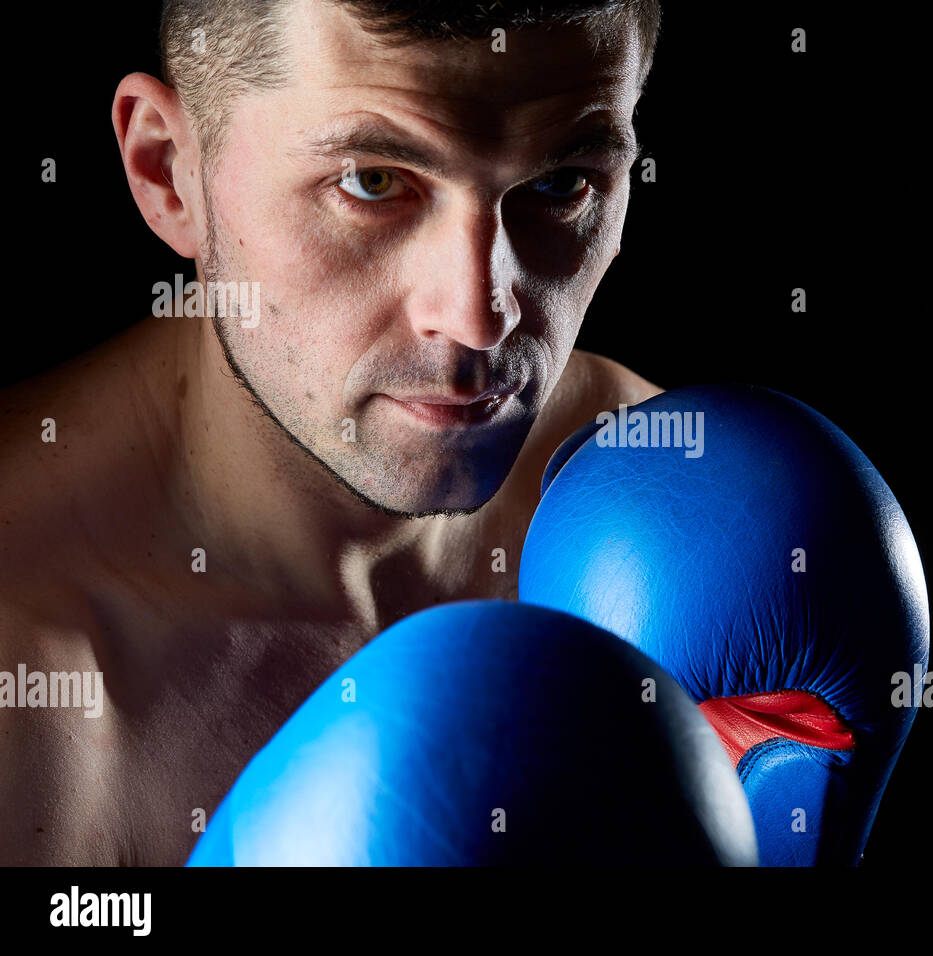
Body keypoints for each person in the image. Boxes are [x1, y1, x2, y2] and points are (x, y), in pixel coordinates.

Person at [0, 0, 663, 866]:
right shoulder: (33, 688)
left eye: (561, 184)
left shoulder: (667, 501)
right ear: (170, 174)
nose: (478, 316)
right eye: (373, 182)